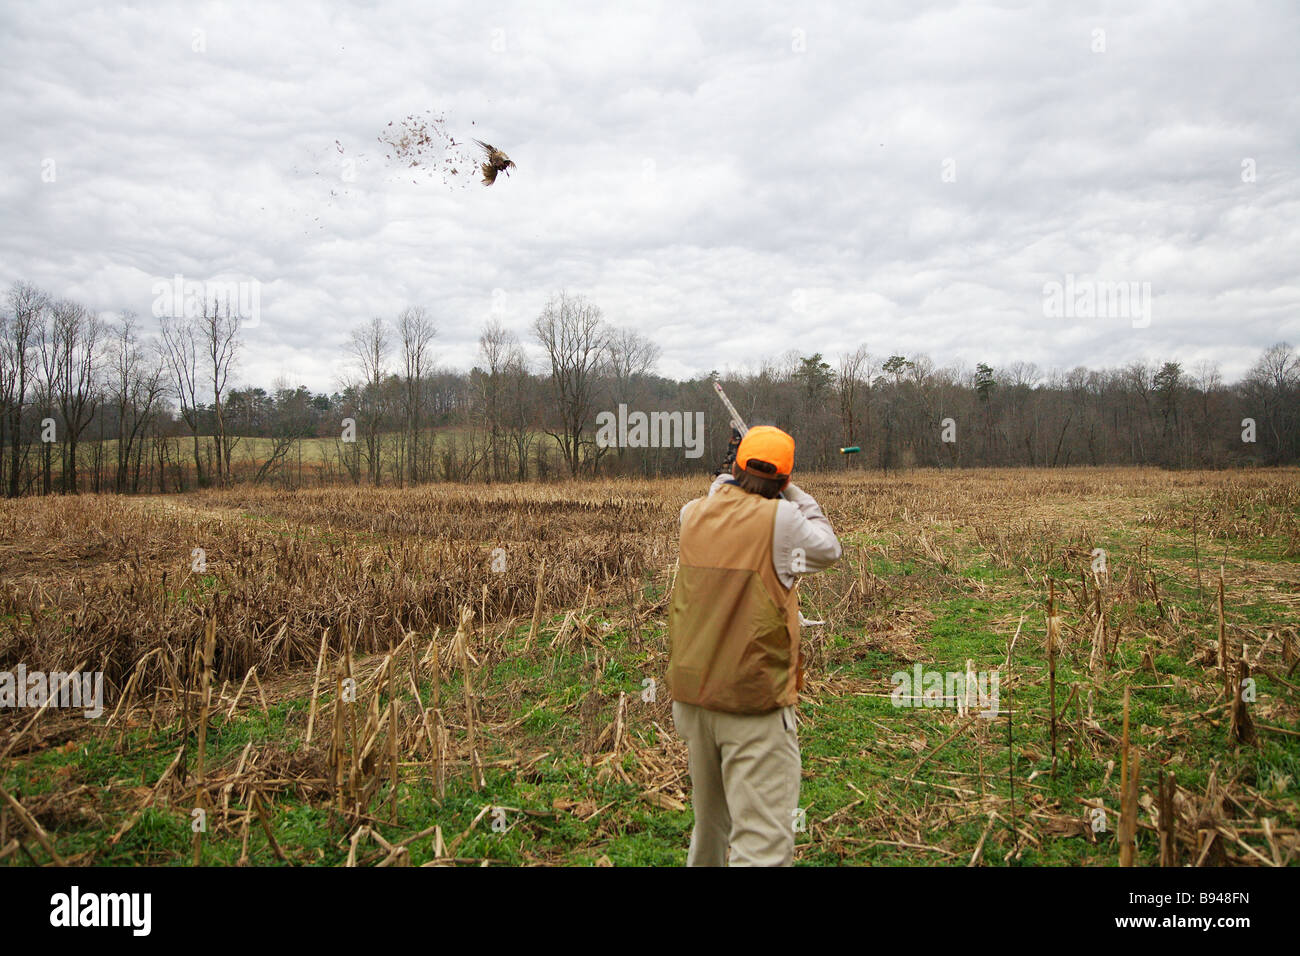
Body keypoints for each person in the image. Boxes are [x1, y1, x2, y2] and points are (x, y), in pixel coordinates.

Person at [668, 425, 842, 866]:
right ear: (783, 481)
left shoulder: (693, 513)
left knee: (710, 827)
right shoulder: (782, 519)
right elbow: (828, 548)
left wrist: (731, 476)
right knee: (762, 842)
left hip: (693, 701)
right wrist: (793, 491)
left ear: (735, 465)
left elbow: (718, 494)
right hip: (750, 704)